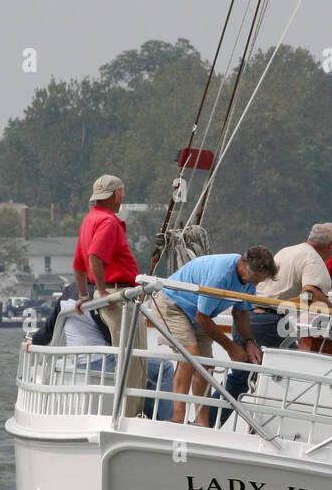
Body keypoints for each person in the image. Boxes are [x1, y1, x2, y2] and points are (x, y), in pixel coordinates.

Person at [152, 247, 279, 425]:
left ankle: (203, 422)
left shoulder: (249, 281)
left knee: (206, 365)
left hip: (197, 313)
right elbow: (201, 317)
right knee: (191, 355)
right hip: (173, 304)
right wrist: (231, 347)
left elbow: (240, 312)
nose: (256, 285)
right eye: (256, 280)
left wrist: (249, 342)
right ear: (244, 268)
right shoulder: (220, 275)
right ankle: (177, 417)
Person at [222, 223, 332, 409]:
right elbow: (311, 295)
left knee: (240, 378)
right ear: (331, 246)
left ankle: (207, 421)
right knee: (289, 379)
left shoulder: (286, 251)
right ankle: (268, 432)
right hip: (269, 322)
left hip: (245, 315)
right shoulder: (314, 261)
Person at [73, 174, 146, 415]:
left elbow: (78, 263)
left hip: (108, 293)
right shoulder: (109, 222)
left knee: (126, 356)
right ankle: (130, 416)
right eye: (122, 193)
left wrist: (85, 294)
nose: (122, 197)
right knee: (133, 360)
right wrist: (104, 293)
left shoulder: (88, 221)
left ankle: (125, 412)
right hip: (119, 295)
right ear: (116, 195)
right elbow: (94, 256)